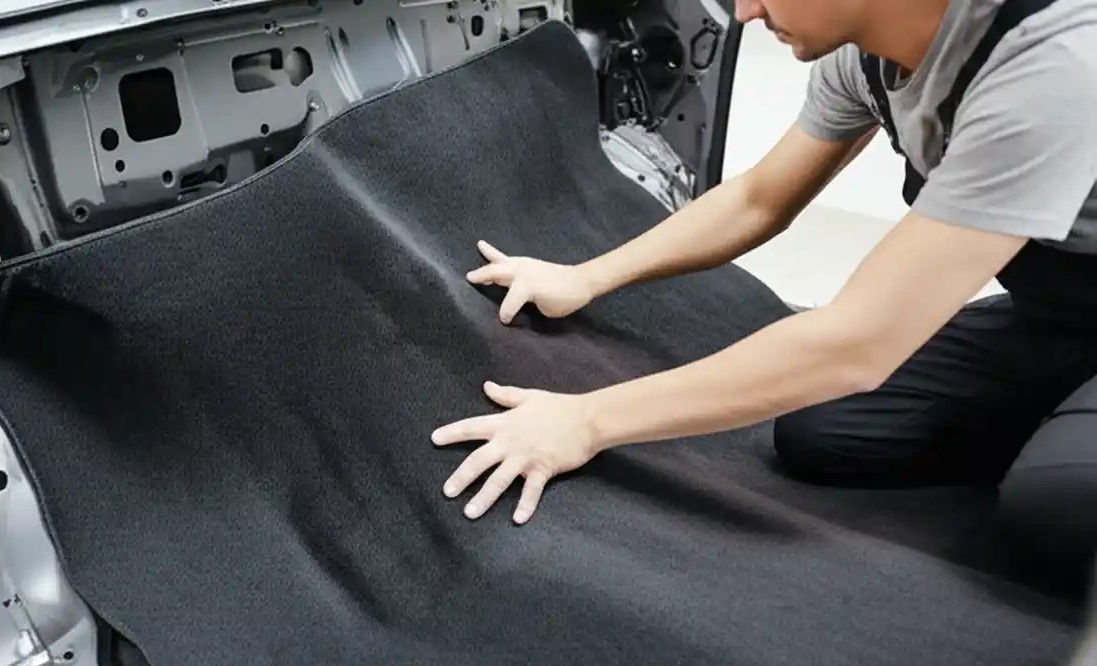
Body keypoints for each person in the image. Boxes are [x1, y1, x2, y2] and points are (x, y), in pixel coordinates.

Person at [432, 0, 1097, 526]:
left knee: (1053, 504)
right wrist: (584, 277)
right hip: (1064, 316)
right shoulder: (867, 60)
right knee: (822, 433)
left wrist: (585, 421)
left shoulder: (1052, 64)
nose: (744, 12)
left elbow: (855, 345)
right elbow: (758, 200)